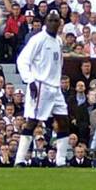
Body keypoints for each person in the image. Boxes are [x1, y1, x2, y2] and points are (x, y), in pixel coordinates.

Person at [15, 11, 71, 166]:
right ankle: (19, 159)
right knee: (32, 122)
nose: (53, 23)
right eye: (51, 20)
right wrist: (30, 80)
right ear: (46, 22)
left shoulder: (58, 40)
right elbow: (23, 60)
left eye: (56, 20)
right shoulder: (38, 39)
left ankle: (61, 161)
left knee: (64, 120)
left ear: (60, 23)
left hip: (55, 86)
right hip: (40, 85)